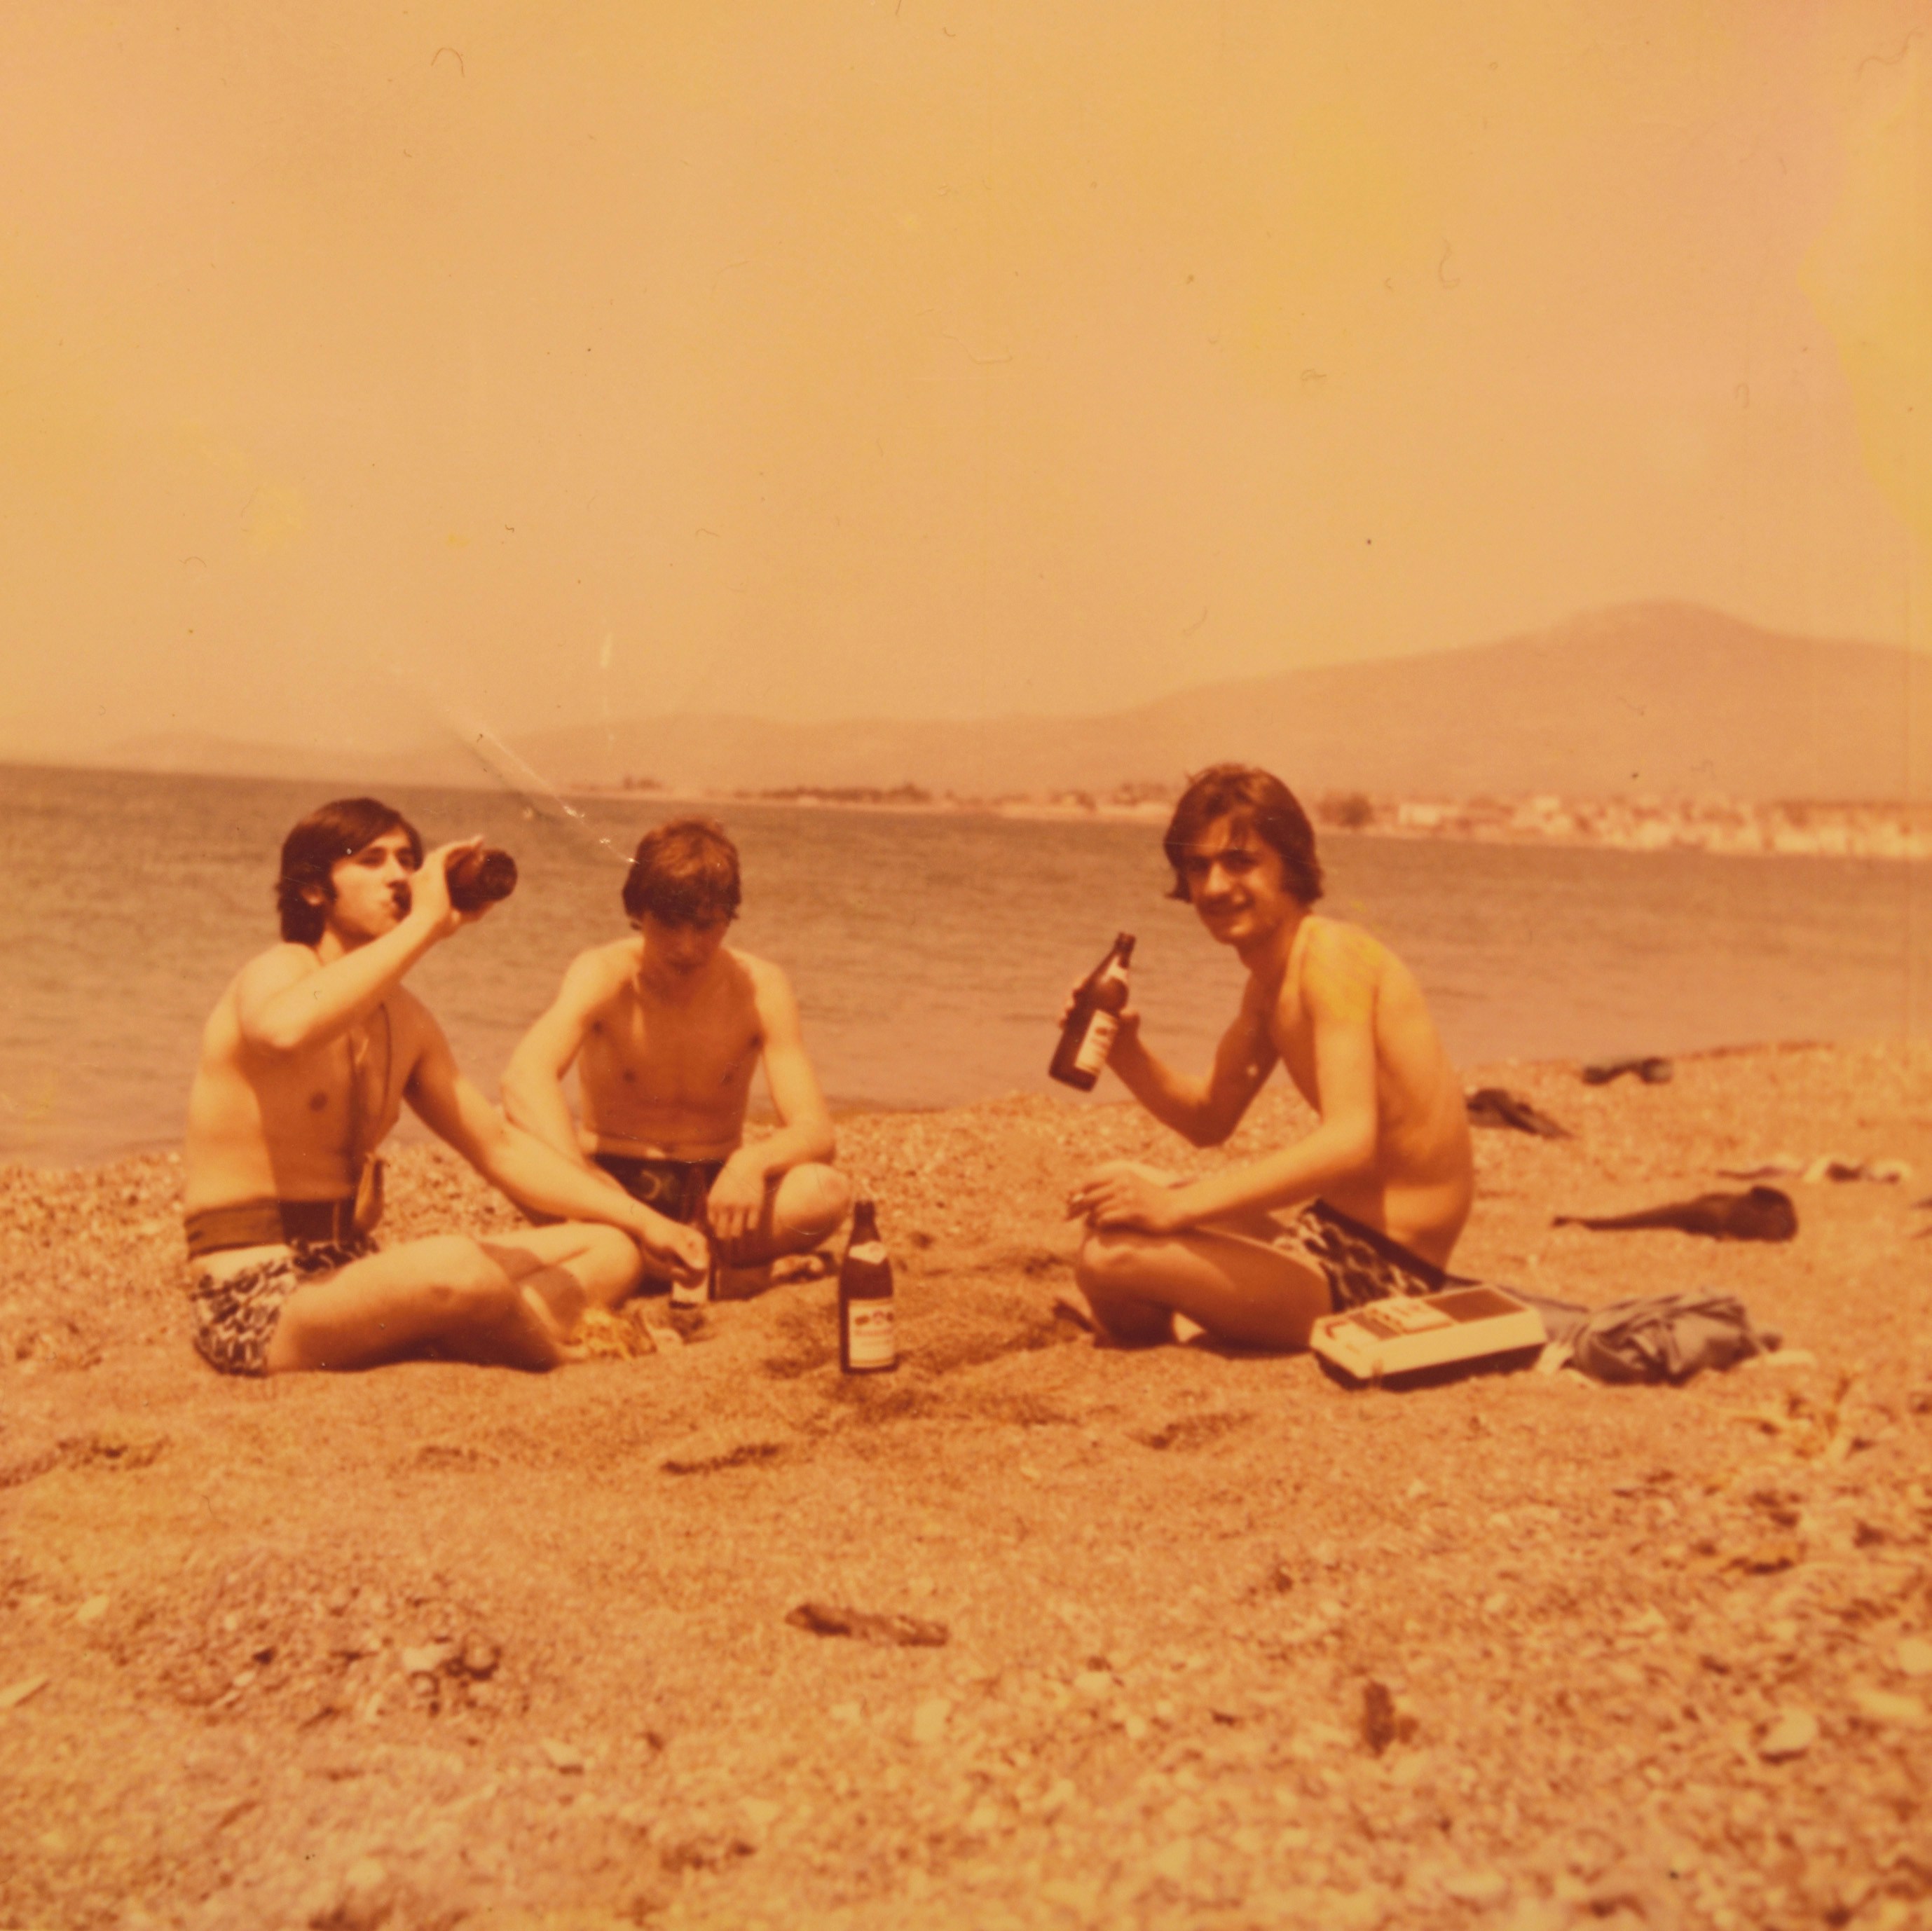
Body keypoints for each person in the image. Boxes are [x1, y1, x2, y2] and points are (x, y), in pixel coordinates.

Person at [182, 799, 711, 1376]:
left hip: (353, 1269)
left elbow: (499, 1148)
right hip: (258, 1293)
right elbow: (283, 1031)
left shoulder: (403, 1020)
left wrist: (645, 1221)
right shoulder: (279, 970)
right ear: (313, 891)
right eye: (371, 860)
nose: (397, 876)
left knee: (608, 1248)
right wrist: (425, 928)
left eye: (407, 860)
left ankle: (470, 1329)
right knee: (455, 1264)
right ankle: (546, 1351)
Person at [1067, 764, 1474, 1349]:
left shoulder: (1331, 957)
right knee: (1116, 1188)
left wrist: (1174, 1211)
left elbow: (1348, 1141)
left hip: (1385, 1277)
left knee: (1108, 1258)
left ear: (1290, 864)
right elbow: (1208, 1119)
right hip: (1324, 1238)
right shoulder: (1267, 986)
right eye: (1198, 866)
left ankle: (1165, 1323)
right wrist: (1124, 1051)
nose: (1212, 887)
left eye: (1239, 861)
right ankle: (1182, 1313)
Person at [502, 816, 851, 1294]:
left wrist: (752, 1164)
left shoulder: (760, 987)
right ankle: (702, 1272)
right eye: (669, 924)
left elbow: (815, 1131)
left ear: (729, 917)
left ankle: (653, 1266)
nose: (687, 947)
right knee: (508, 1135)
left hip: (715, 1199)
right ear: (639, 911)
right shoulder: (603, 973)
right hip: (610, 1186)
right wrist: (583, 1185)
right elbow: (524, 1078)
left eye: (706, 926)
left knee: (825, 1193)